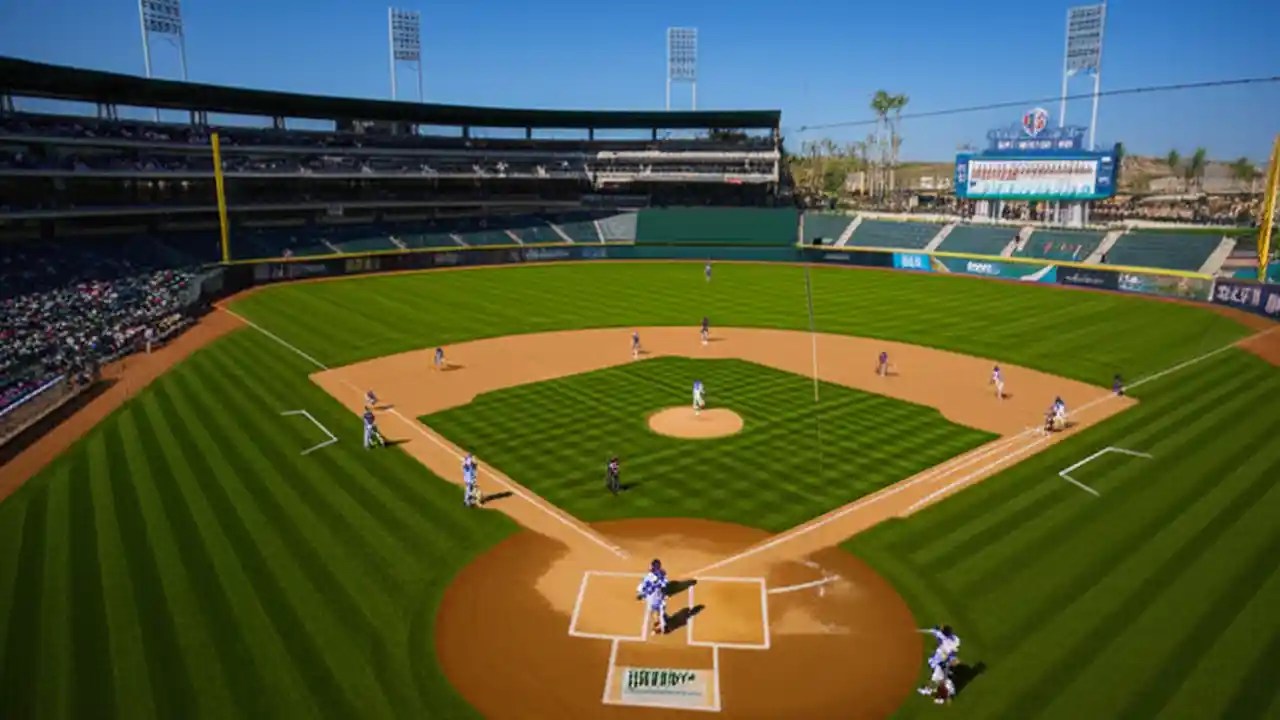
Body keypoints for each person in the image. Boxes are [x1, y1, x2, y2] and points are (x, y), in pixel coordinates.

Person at [916, 625, 960, 704]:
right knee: (939, 675)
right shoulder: (956, 639)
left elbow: (932, 631)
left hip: (940, 658)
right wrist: (951, 658)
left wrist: (916, 630)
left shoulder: (941, 635)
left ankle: (935, 693)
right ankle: (930, 690)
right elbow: (954, 651)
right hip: (945, 659)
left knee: (939, 677)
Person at [636, 559, 669, 636]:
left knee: (656, 611)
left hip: (653, 597)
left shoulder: (649, 576)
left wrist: (641, 595)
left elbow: (643, 587)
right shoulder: (663, 574)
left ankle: (660, 628)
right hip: (660, 596)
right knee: (658, 611)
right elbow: (665, 584)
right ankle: (659, 624)